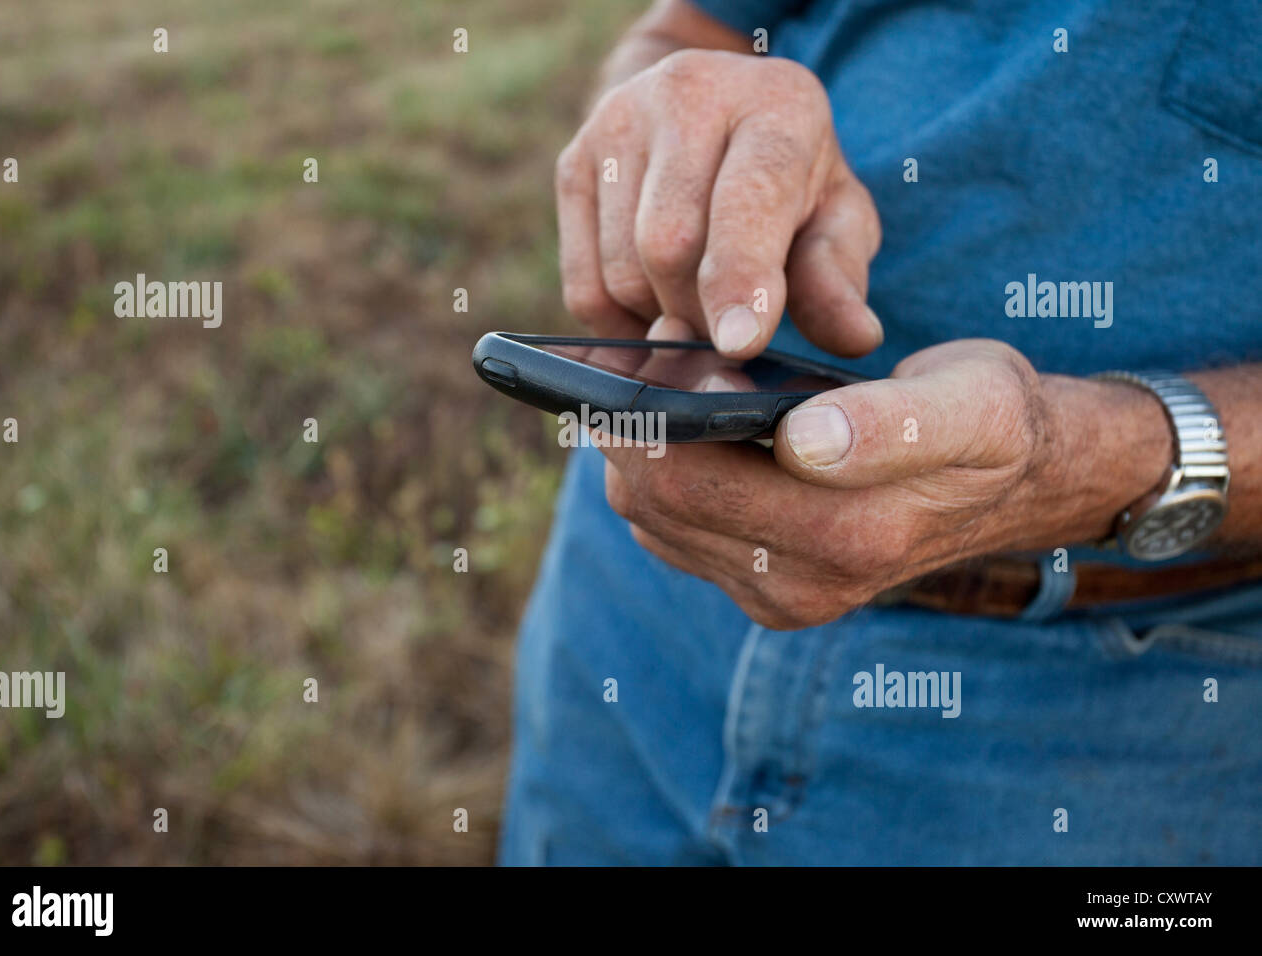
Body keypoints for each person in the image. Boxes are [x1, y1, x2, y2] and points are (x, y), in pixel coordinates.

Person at [499, 0, 1262, 864]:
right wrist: (661, 120)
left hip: (1129, 719)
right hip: (642, 584)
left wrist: (1096, 458)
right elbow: (689, 26)